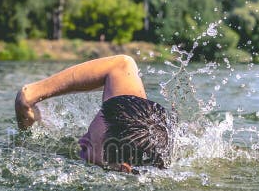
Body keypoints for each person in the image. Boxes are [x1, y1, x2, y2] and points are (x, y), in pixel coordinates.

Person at [14, 55, 172, 172]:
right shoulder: (126, 110)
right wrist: (29, 96)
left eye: (87, 146)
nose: (80, 140)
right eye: (88, 134)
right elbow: (122, 64)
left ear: (123, 169)